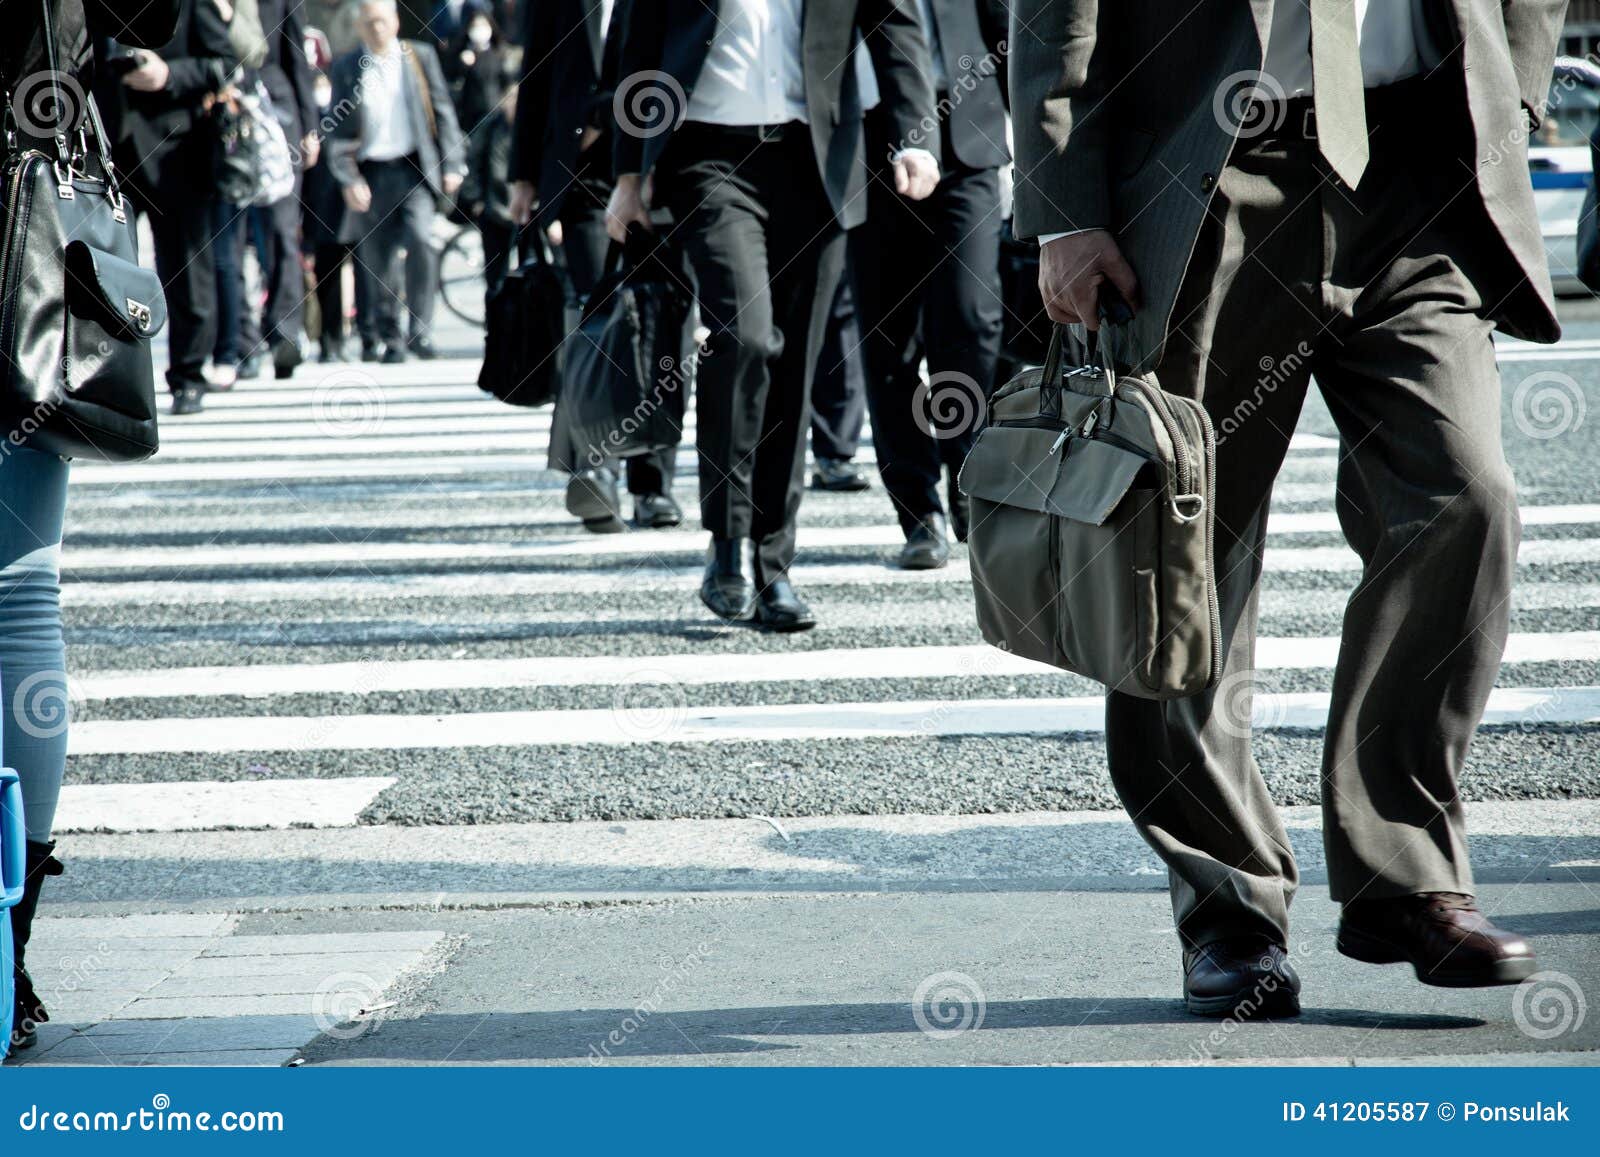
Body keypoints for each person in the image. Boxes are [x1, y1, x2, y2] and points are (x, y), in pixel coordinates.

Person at [1011, 0, 1565, 1018]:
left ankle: (1403, 876)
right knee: (1185, 553)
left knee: (1466, 493)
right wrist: (1062, 202)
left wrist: (1512, 88)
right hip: (1209, 169)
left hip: (1416, 169)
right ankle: (1229, 908)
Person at [606, 0, 940, 630]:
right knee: (746, 338)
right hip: (708, 158)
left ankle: (773, 563)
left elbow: (895, 26)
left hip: (819, 160)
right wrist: (628, 174)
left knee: (794, 366)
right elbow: (639, 44)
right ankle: (728, 542)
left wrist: (916, 136)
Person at [1, 0, 183, 1055]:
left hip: (23, 223)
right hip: (26, 221)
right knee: (20, 599)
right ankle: (7, 943)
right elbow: (145, 16)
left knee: (22, 603)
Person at [510, 0, 681, 532]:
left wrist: (604, 115)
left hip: (659, 173)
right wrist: (522, 175)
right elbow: (536, 73)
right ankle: (597, 469)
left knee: (659, 324)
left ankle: (652, 484)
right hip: (581, 178)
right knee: (596, 320)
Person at [853, 0, 1006, 570]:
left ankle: (968, 477)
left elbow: (1010, 25)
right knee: (887, 338)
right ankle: (918, 511)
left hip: (969, 134)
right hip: (871, 141)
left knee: (970, 316)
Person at [112, 0, 237, 416]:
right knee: (103, 272)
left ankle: (188, 376)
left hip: (178, 150)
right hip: (108, 149)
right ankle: (113, 383)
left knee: (187, 269)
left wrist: (169, 75)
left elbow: (225, 65)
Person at [327, 0, 465, 363]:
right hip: (370, 173)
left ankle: (421, 331)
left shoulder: (418, 57)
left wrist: (453, 163)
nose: (377, 29)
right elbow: (336, 132)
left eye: (383, 21)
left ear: (396, 21)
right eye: (370, 23)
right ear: (359, 26)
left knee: (422, 240)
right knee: (379, 259)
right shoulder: (346, 67)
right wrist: (348, 178)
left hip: (414, 168)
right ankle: (391, 338)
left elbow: (443, 110)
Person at [244, 0, 321, 380]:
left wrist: (309, 126)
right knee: (227, 238)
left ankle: (284, 332)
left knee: (282, 230)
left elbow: (297, 63)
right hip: (223, 110)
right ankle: (239, 340)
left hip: (278, 120)